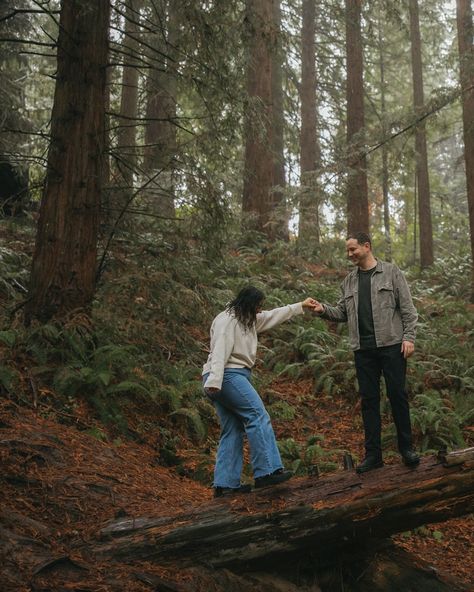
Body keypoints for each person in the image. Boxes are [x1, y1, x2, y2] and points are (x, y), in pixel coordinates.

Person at [312, 232, 420, 473]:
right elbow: (342, 313)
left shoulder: (391, 272)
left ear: (367, 246)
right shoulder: (349, 281)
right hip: (363, 350)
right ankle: (374, 456)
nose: (349, 254)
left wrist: (409, 338)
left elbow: (408, 310)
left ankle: (407, 450)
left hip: (392, 345)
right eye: (347, 251)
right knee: (369, 402)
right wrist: (322, 309)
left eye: (353, 249)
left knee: (398, 397)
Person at [202, 286, 318, 497]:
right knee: (257, 415)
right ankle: (267, 472)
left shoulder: (246, 318)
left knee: (233, 428)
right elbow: (219, 349)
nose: (259, 310)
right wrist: (215, 380)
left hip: (225, 376)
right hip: (227, 375)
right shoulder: (227, 320)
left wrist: (300, 306)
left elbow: (273, 316)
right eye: (257, 306)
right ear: (248, 303)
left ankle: (225, 485)